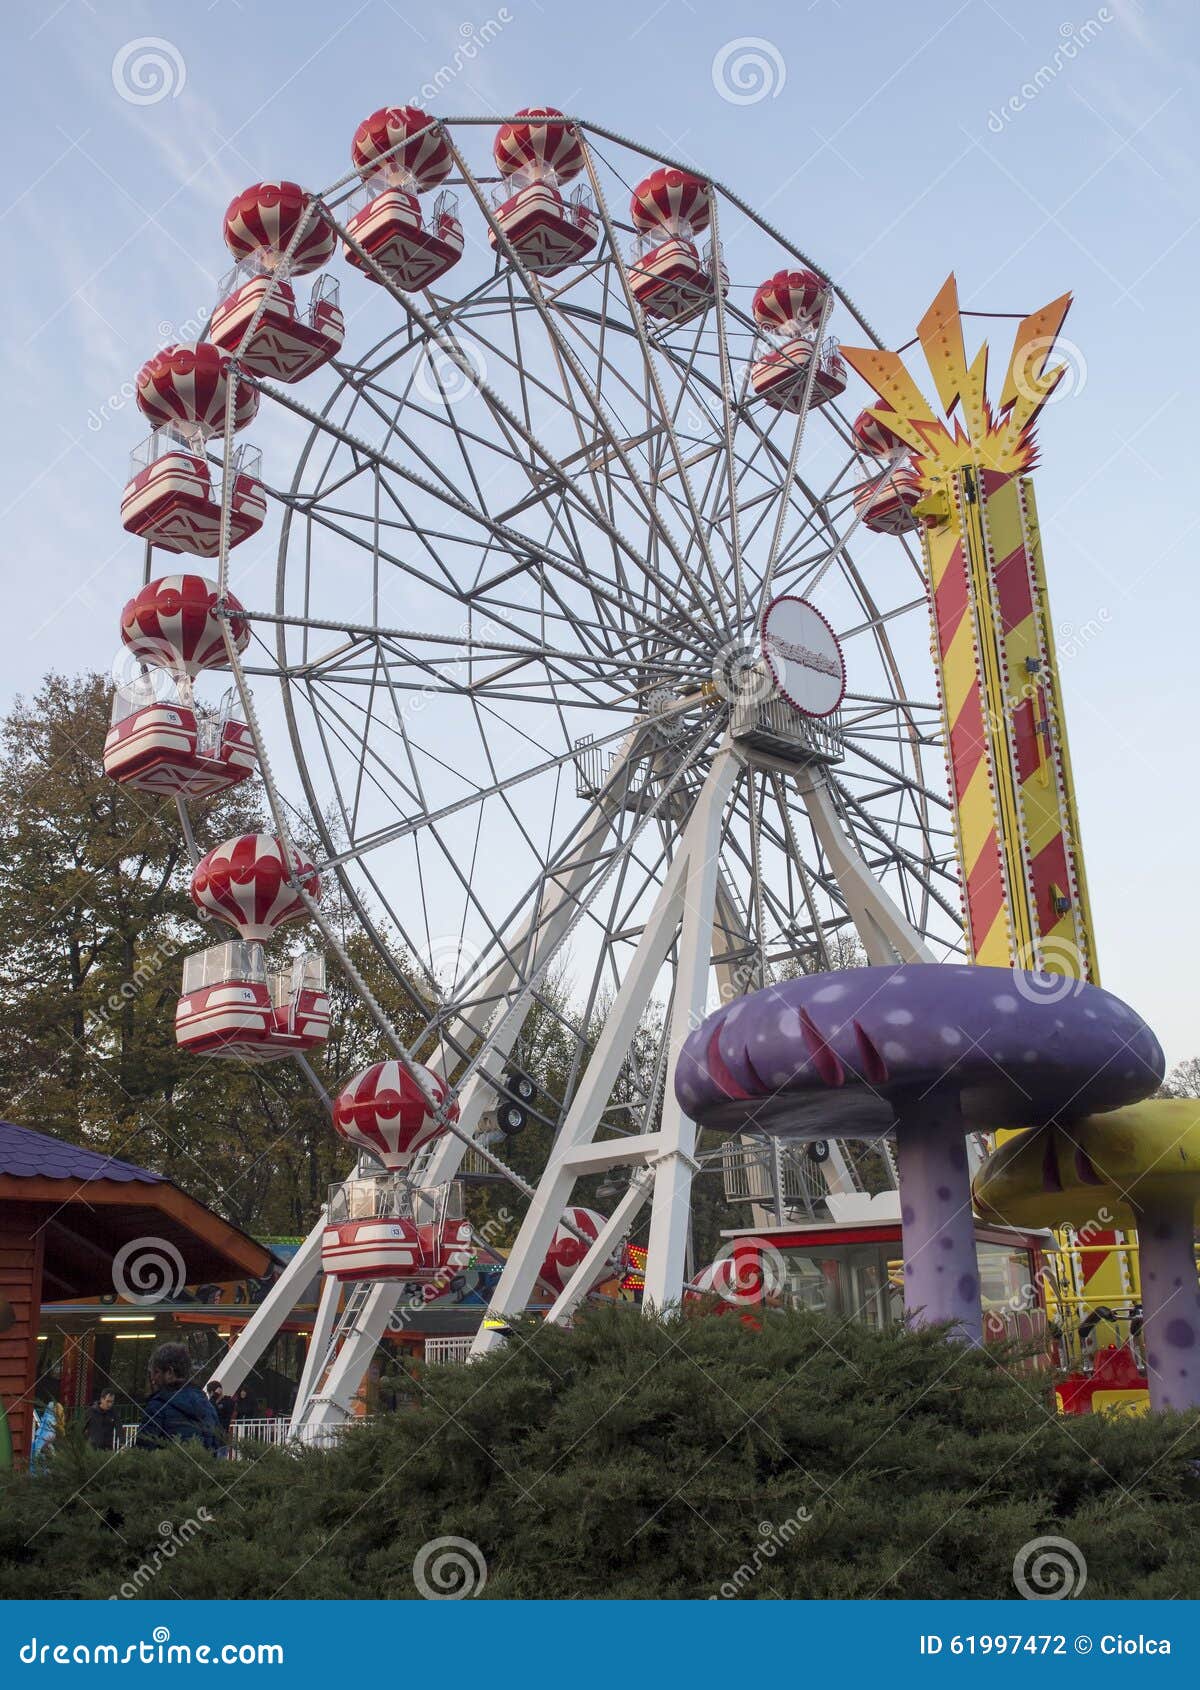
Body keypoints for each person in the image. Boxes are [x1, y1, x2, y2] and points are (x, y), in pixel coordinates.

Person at [135, 1343, 222, 1453]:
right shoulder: (208, 1406)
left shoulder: (157, 1407)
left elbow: (142, 1453)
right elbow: (217, 1447)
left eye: (156, 1372)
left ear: (170, 1372)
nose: (153, 1379)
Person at [206, 1381, 235, 1447]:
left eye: (209, 1394)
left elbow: (215, 1411)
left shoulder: (228, 1401)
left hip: (222, 1437)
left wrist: (214, 1397)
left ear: (212, 1393)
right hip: (211, 1437)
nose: (209, 1396)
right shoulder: (212, 1402)